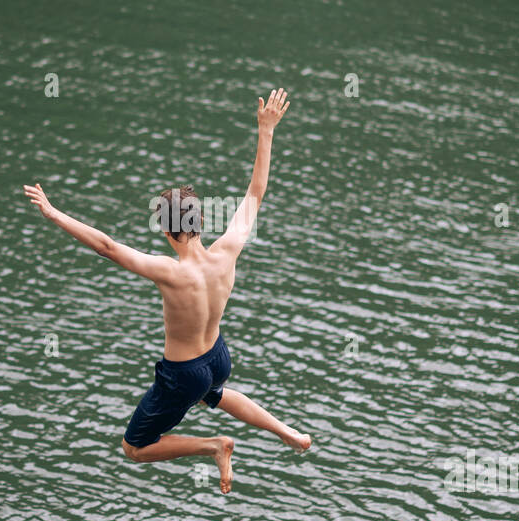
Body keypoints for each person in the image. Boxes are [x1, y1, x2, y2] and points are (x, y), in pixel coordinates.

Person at [23, 88, 311, 491]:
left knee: (134, 447)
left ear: (165, 228)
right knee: (216, 393)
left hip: (183, 373)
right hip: (217, 356)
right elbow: (255, 193)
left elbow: (106, 246)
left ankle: (214, 446)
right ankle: (288, 433)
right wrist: (266, 131)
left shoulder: (169, 272)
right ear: (199, 220)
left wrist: (54, 213)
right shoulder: (226, 251)